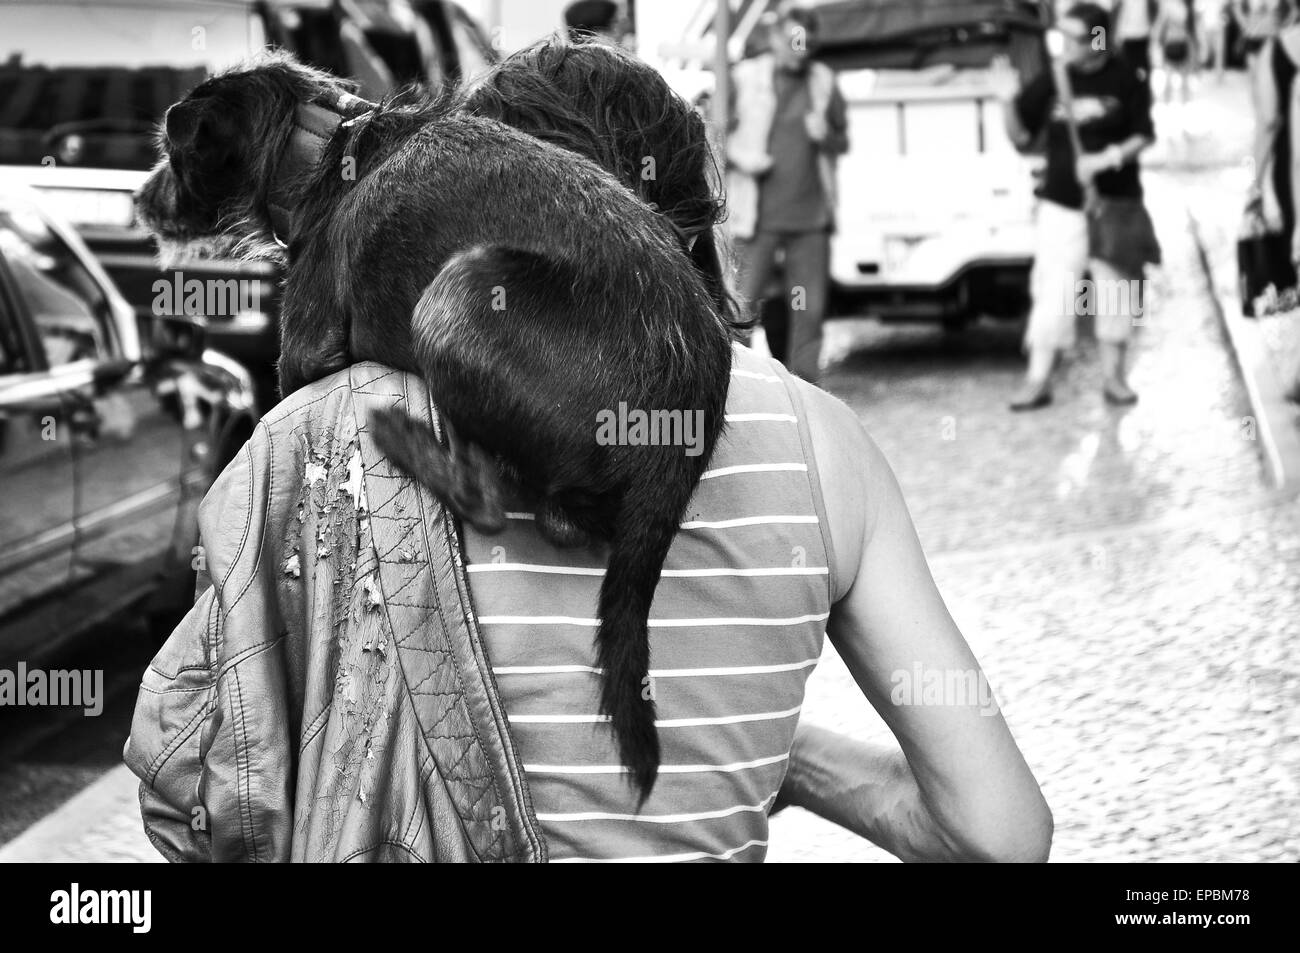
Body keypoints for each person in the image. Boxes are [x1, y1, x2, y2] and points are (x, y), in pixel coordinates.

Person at [125, 38, 1052, 863]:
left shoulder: (336, 430)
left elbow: (201, 780)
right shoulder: (827, 448)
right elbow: (1002, 833)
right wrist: (778, 753)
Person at [991, 2, 1161, 410]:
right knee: (1053, 289)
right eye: (1060, 36)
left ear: (1097, 41)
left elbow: (1145, 134)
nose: (1062, 45)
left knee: (1116, 289)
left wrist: (1109, 158)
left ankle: (1114, 378)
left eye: (1071, 39)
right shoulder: (1054, 77)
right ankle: (1038, 379)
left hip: (1114, 202)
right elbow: (1019, 135)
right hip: (1061, 203)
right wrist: (1006, 101)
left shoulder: (1127, 77)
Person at [728, 5, 849, 384]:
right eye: (795, 41)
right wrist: (744, 158)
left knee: (807, 311)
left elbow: (842, 139)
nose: (802, 49)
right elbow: (714, 132)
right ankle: (734, 388)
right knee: (740, 308)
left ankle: (806, 392)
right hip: (756, 219)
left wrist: (825, 135)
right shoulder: (744, 78)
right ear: (776, 40)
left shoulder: (823, 80)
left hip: (811, 219)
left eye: (807, 43)